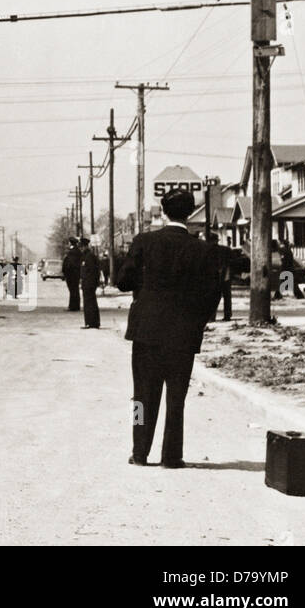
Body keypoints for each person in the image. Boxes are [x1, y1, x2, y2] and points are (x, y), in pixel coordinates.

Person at [115, 188, 221, 468]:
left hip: (147, 331)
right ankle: (172, 456)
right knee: (177, 398)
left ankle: (139, 452)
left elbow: (122, 281)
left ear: (163, 211)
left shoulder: (144, 242)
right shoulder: (203, 249)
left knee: (141, 396)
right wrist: (197, 321)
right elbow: (213, 293)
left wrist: (144, 286)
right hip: (183, 334)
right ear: (190, 212)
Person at [81, 240, 101, 328]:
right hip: (87, 283)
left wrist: (91, 282)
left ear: (85, 246)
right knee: (89, 303)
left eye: (82, 247)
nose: (81, 249)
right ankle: (90, 322)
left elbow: (93, 271)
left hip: (89, 283)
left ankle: (92, 322)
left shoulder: (89, 256)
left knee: (90, 303)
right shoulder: (86, 256)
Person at [63, 238, 82, 312]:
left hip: (71, 274)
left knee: (73, 290)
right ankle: (75, 306)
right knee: (75, 290)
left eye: (69, 243)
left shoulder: (72, 252)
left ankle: (73, 306)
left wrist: (66, 271)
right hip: (75, 274)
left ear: (70, 243)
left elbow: (70, 264)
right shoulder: (77, 251)